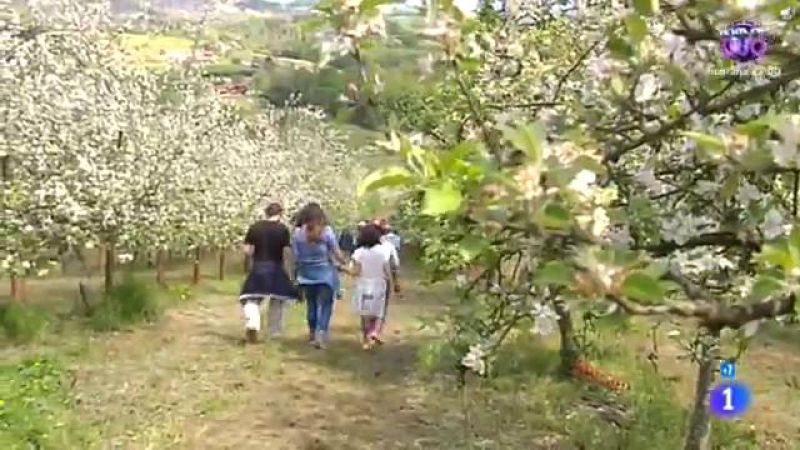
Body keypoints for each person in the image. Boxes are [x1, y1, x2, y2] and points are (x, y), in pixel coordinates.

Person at [239, 202, 298, 344]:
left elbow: (248, 251)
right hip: (275, 267)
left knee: (251, 298)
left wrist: (248, 265)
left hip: (258, 266)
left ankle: (252, 323)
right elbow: (286, 252)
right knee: (278, 300)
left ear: (266, 213)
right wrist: (290, 271)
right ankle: (274, 332)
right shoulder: (282, 230)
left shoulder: (255, 227)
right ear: (280, 214)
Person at [292, 203, 349, 349]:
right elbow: (336, 252)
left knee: (311, 303)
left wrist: (295, 273)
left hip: (306, 273)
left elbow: (296, 256)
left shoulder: (297, 233)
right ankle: (321, 333)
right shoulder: (326, 232)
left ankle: (312, 332)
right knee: (325, 305)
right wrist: (344, 262)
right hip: (325, 274)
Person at [346, 224, 391, 350]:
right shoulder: (382, 252)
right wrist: (391, 284)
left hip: (363, 284)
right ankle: (374, 332)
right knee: (378, 311)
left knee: (365, 313)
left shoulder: (359, 252)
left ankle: (366, 340)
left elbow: (356, 272)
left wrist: (342, 269)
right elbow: (387, 271)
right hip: (379, 283)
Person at [375, 222, 400, 338]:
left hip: (366, 280)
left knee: (367, 306)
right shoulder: (389, 246)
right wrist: (396, 282)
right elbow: (394, 265)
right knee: (382, 306)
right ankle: (376, 331)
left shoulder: (366, 245)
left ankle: (368, 331)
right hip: (384, 279)